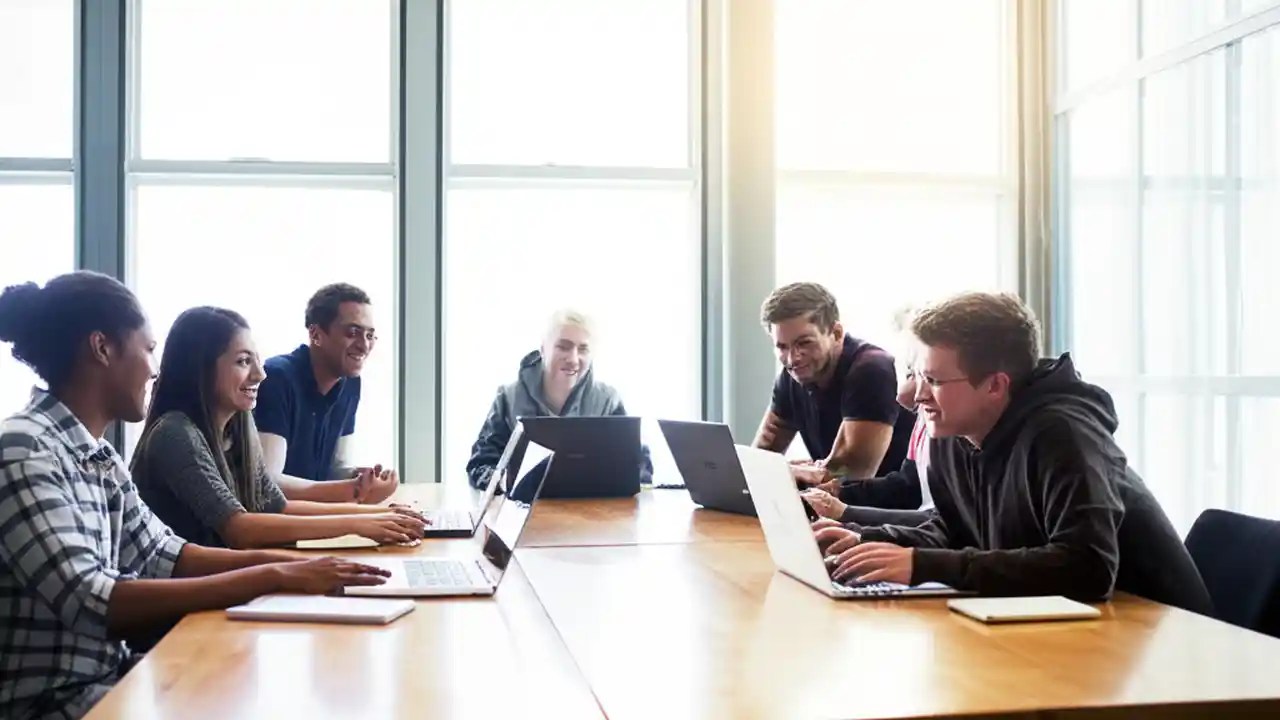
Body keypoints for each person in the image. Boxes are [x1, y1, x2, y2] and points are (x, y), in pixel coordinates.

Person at [0, 272, 389, 719]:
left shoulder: (98, 454)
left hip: (111, 676)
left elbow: (167, 554)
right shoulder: (26, 448)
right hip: (53, 703)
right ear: (102, 348)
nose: (153, 367)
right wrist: (276, 575)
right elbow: (95, 601)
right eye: (148, 349)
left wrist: (296, 567)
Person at [815, 292, 1213, 614]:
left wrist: (922, 565)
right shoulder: (953, 433)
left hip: (1160, 639)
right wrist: (865, 540)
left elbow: (1088, 567)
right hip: (1067, 631)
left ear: (994, 386)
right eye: (917, 375)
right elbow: (957, 529)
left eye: (932, 380)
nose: (914, 396)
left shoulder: (1063, 434)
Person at [131, 307, 426, 549]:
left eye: (256, 360)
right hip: (182, 612)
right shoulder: (175, 433)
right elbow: (239, 528)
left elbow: (276, 507)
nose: (259, 374)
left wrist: (377, 515)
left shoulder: (238, 428)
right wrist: (358, 523)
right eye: (244, 361)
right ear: (201, 368)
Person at [467, 309, 652, 489]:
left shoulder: (608, 401)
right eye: (563, 347)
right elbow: (480, 464)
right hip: (521, 513)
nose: (573, 358)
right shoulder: (508, 398)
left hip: (591, 515)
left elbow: (639, 467)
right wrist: (508, 482)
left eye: (583, 349)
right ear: (542, 349)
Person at [752, 282, 915, 486]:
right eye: (782, 347)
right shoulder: (792, 376)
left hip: (894, 509)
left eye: (804, 343)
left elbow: (852, 471)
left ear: (836, 333)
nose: (792, 359)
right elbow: (759, 459)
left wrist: (802, 471)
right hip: (837, 507)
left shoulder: (871, 369)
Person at [254, 283, 399, 504]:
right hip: (276, 522)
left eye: (370, 335)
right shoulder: (277, 378)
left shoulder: (351, 383)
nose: (364, 345)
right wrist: (351, 491)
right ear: (316, 334)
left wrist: (361, 479)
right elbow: (268, 482)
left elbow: (334, 469)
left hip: (313, 519)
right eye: (353, 333)